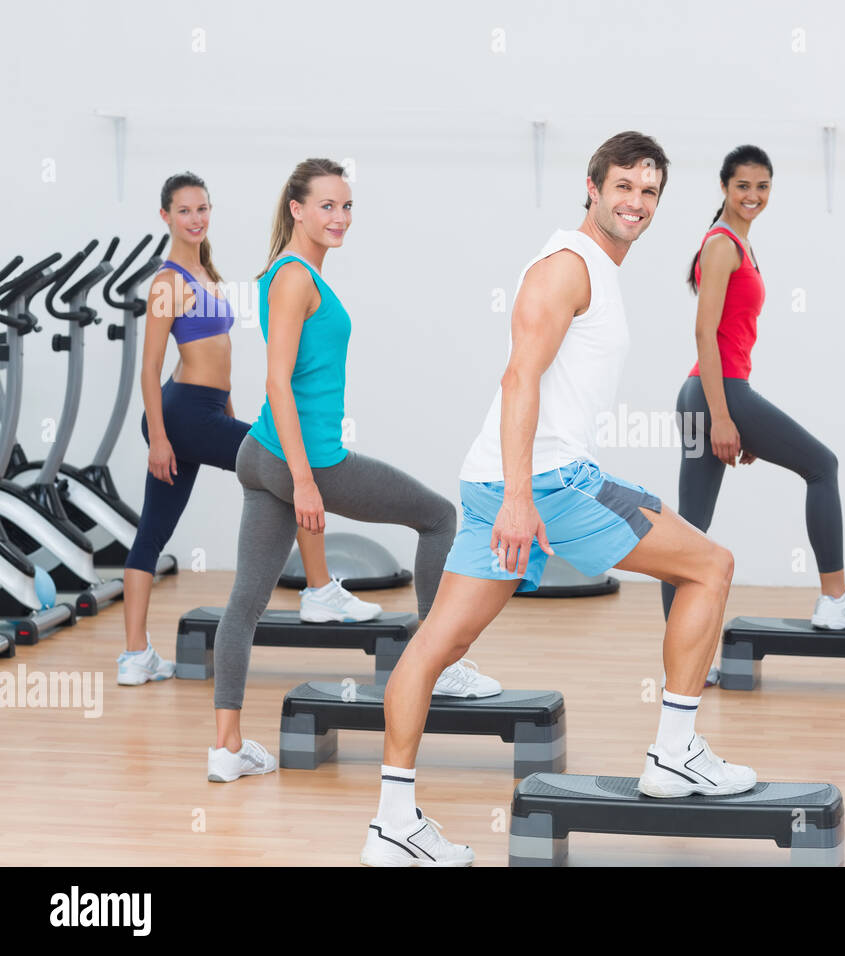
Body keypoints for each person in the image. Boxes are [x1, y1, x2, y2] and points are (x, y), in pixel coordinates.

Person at [363, 132, 756, 867]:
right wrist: (520, 499)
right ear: (592, 186)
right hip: (542, 483)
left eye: (649, 192)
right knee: (711, 566)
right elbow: (519, 380)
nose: (635, 203)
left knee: (438, 646)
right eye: (623, 188)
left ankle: (391, 823)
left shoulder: (595, 269)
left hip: (500, 478)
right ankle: (674, 753)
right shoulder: (567, 269)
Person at [207, 159, 499, 783]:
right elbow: (277, 383)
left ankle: (227, 750)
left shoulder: (295, 273)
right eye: (326, 206)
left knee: (244, 605)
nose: (338, 218)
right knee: (439, 516)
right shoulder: (293, 279)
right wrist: (308, 479)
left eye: (346, 207)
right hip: (302, 459)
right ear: (296, 208)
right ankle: (438, 661)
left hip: (262, 456)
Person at [117, 171, 382, 687]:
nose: (195, 219)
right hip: (181, 415)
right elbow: (150, 367)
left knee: (152, 529)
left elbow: (221, 355)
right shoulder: (167, 282)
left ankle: (135, 656)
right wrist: (161, 438)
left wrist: (232, 407)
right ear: (165, 217)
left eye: (202, 209)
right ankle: (320, 589)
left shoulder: (208, 274)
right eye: (184, 211)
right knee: (287, 460)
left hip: (206, 411)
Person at [661, 145, 845, 632]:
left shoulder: (736, 244)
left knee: (689, 529)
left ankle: (679, 654)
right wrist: (726, 418)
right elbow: (705, 333)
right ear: (724, 187)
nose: (753, 195)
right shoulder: (722, 244)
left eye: (762, 187)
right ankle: (835, 599)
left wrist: (735, 419)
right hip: (714, 392)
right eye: (743, 186)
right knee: (822, 465)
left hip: (705, 393)